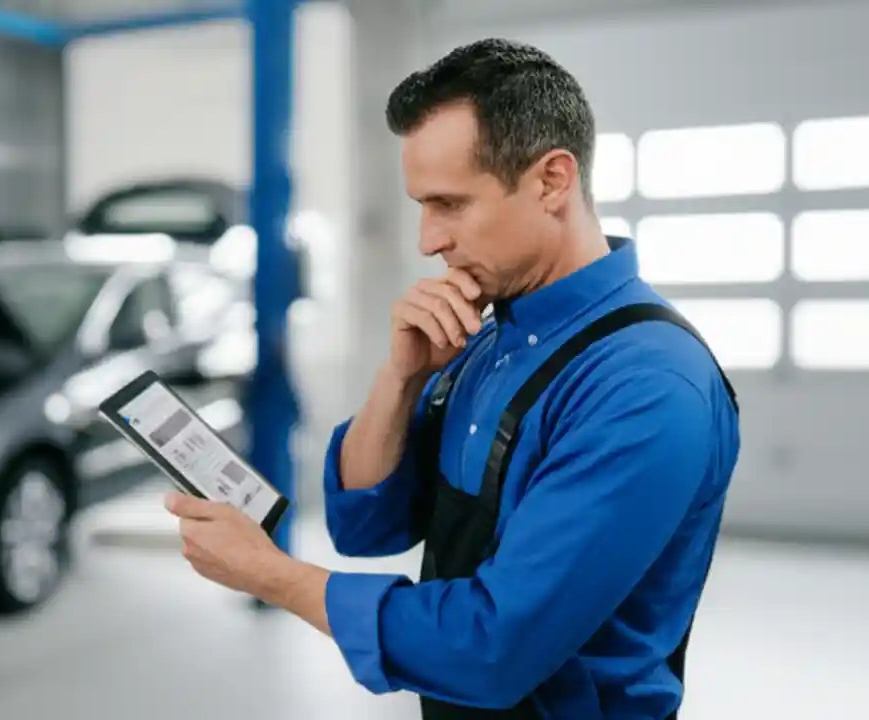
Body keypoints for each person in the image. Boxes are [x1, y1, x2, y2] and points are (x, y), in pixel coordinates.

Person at [164, 38, 740, 719]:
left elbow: (492, 647)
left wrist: (272, 575)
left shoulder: (645, 386)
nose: (427, 240)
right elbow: (365, 525)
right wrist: (401, 377)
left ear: (552, 181)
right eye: (421, 206)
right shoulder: (489, 335)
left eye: (450, 204)